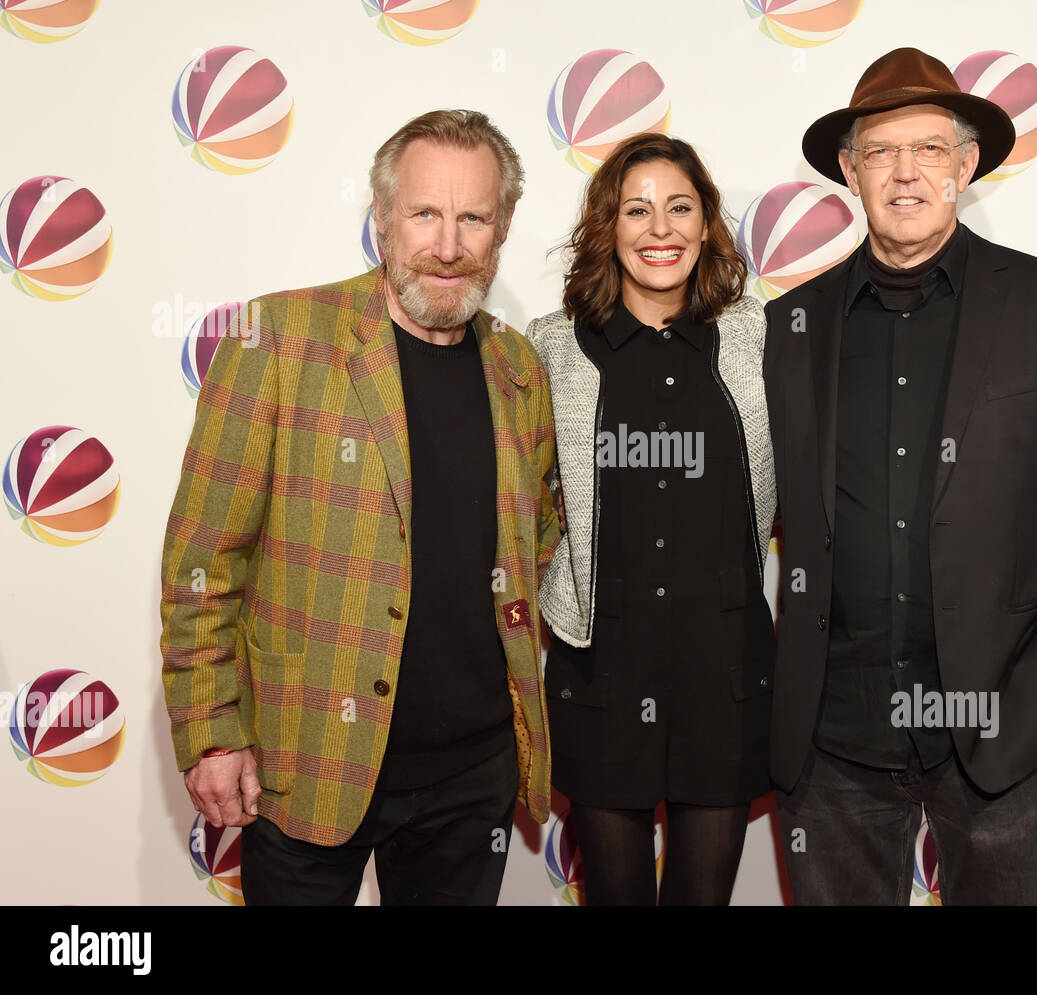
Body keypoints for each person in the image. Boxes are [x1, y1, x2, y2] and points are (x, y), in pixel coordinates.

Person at [765, 47, 1037, 905]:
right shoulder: (791, 326)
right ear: (848, 170)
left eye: (929, 149)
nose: (905, 174)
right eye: (882, 152)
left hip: (1001, 731)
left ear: (966, 165)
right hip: (833, 743)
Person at [159, 109, 562, 905]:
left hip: (474, 773)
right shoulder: (275, 339)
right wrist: (210, 731)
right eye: (424, 214)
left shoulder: (519, 367)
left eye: (473, 217)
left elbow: (538, 540)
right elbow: (204, 562)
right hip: (307, 762)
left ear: (502, 228)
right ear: (380, 218)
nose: (448, 245)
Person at [526, 133, 777, 905]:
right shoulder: (552, 348)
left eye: (679, 207)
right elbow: (526, 502)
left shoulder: (757, 338)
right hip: (600, 671)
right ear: (609, 226)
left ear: (706, 225)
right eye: (637, 210)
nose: (659, 228)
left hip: (725, 674)